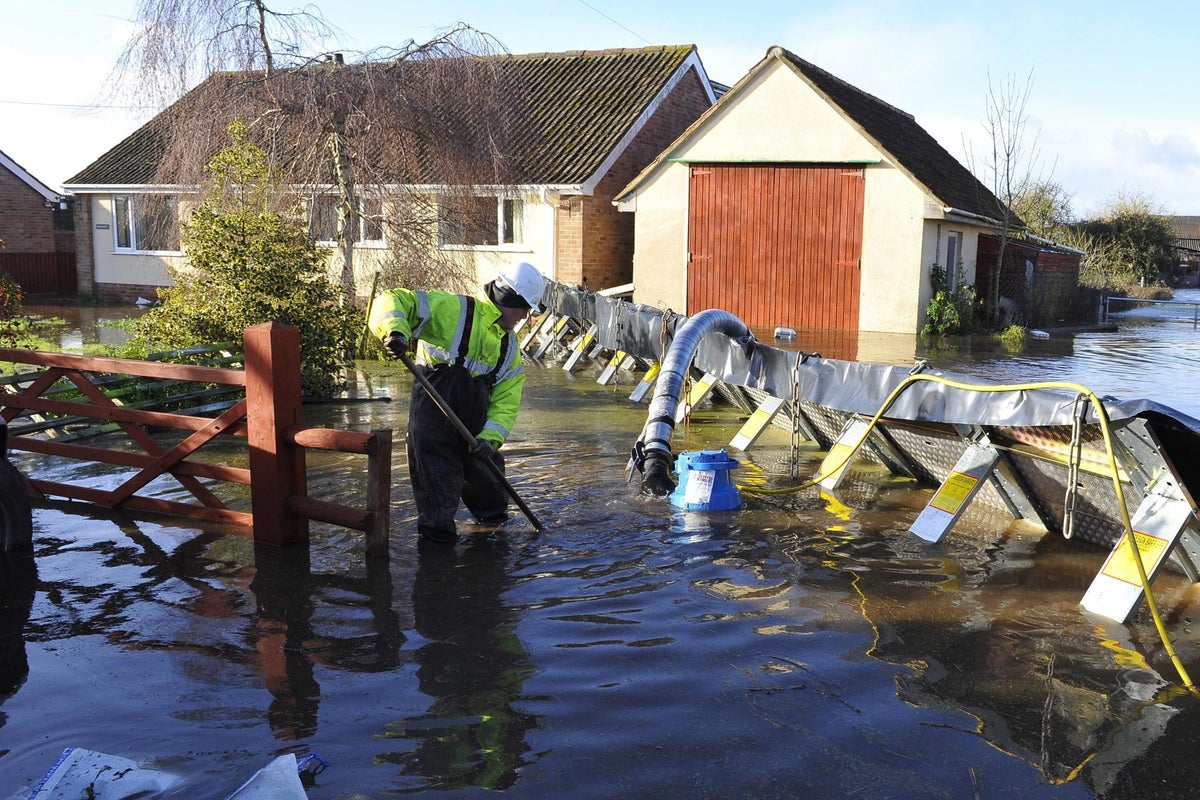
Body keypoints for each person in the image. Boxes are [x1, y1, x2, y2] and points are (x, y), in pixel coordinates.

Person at [368, 261, 546, 545]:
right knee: (437, 494)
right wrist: (395, 332)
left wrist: (490, 439)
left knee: (491, 490)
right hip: (432, 420)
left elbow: (506, 401)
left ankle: (493, 545)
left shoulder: (510, 347)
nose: (524, 316)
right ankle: (437, 558)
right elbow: (394, 300)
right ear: (509, 299)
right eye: (524, 309)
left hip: (476, 432)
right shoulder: (455, 310)